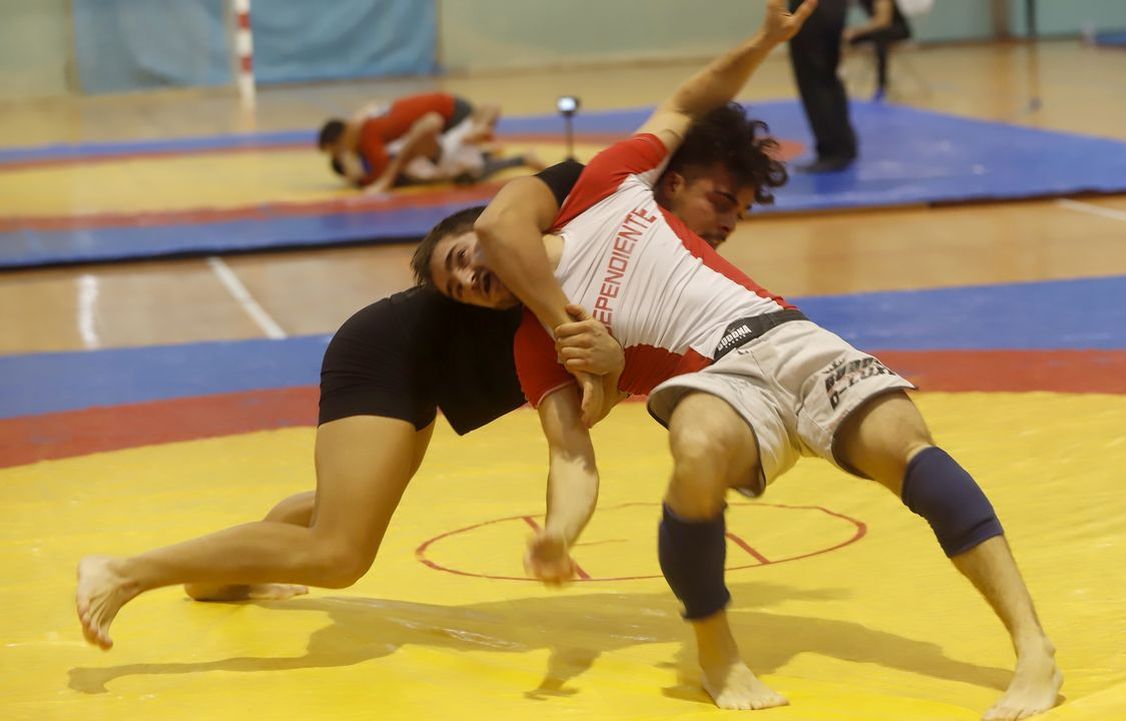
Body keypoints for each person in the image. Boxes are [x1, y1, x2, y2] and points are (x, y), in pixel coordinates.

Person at [426, 1, 1062, 718]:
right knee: (696, 449)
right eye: (459, 290)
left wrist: (763, 42)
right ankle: (717, 658)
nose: (470, 279)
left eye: (462, 261)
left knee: (909, 448)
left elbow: (689, 102)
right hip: (715, 385)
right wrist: (560, 532)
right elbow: (571, 455)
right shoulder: (535, 347)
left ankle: (1033, 647)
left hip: (780, 332)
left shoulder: (604, 186)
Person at [73, 131, 764, 653]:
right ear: (673, 184)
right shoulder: (585, 198)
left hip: (429, 363)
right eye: (721, 201)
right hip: (390, 352)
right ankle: (125, 571)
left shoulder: (655, 261)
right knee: (341, 553)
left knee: (339, 508)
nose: (728, 221)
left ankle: (219, 576)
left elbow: (591, 397)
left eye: (739, 212)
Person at [316, 92, 542, 194]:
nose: (341, 156)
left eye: (337, 153)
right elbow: (362, 173)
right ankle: (498, 148)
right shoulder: (365, 141)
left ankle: (487, 141)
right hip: (446, 132)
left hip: (447, 124)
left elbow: (377, 166)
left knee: (467, 161)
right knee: (471, 165)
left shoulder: (366, 136)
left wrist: (379, 177)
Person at [786, 0, 858, 173]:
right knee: (827, 77)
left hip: (813, 9)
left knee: (815, 80)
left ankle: (834, 151)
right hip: (828, 7)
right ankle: (842, 146)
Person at [844, 0, 912, 101]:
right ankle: (838, 75)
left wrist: (857, 31)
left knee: (879, 38)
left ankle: (881, 86)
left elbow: (883, 21)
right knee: (848, 38)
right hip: (877, 31)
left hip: (897, 29)